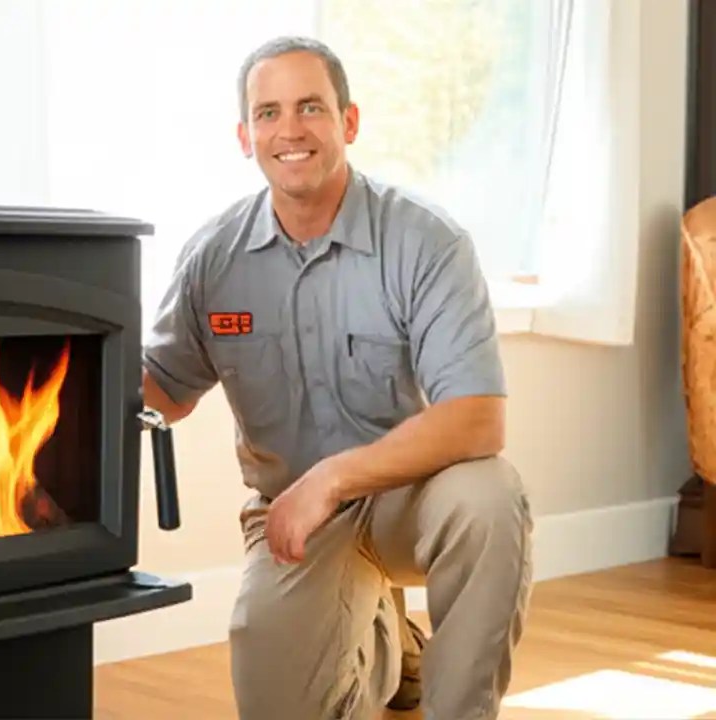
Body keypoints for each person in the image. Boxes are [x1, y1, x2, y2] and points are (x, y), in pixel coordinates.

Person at [142, 35, 534, 719]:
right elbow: (165, 393)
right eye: (268, 113)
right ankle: (388, 641)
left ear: (348, 122)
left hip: (408, 499)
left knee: (489, 496)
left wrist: (330, 480)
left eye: (310, 107)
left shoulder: (426, 241)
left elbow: (478, 418)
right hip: (293, 519)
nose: (289, 130)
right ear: (245, 137)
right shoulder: (213, 258)